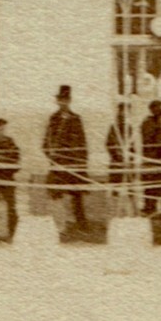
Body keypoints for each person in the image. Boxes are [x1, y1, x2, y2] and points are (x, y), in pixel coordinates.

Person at [44, 84, 92, 236]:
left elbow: (82, 144)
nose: (63, 103)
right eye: (60, 100)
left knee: (77, 197)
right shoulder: (53, 119)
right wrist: (50, 154)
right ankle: (59, 225)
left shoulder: (76, 119)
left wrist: (82, 165)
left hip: (73, 164)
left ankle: (82, 226)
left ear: (69, 101)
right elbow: (46, 142)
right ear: (58, 102)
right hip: (58, 164)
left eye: (65, 100)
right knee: (55, 194)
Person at [139, 100, 161, 217]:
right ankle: (150, 208)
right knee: (150, 185)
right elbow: (154, 141)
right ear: (153, 110)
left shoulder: (159, 125)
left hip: (160, 158)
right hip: (151, 159)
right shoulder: (148, 123)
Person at [105, 107, 136, 214]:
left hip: (127, 164)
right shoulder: (113, 129)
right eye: (120, 115)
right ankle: (115, 214)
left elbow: (133, 147)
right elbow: (108, 144)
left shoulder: (129, 128)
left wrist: (128, 156)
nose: (121, 118)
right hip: (116, 164)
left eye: (124, 116)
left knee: (131, 190)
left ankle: (132, 213)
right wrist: (117, 154)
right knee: (115, 190)